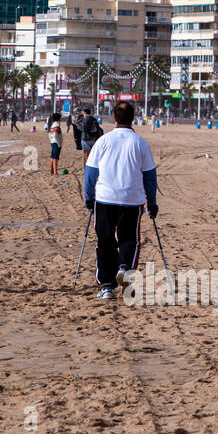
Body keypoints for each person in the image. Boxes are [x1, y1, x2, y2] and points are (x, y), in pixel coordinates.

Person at [83, 101, 158, 301]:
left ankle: (107, 286)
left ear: (114, 118)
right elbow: (150, 176)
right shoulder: (140, 142)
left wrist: (88, 197)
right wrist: (152, 202)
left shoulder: (103, 141)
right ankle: (124, 268)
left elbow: (90, 173)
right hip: (132, 200)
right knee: (129, 240)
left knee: (105, 241)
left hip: (105, 199)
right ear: (133, 118)